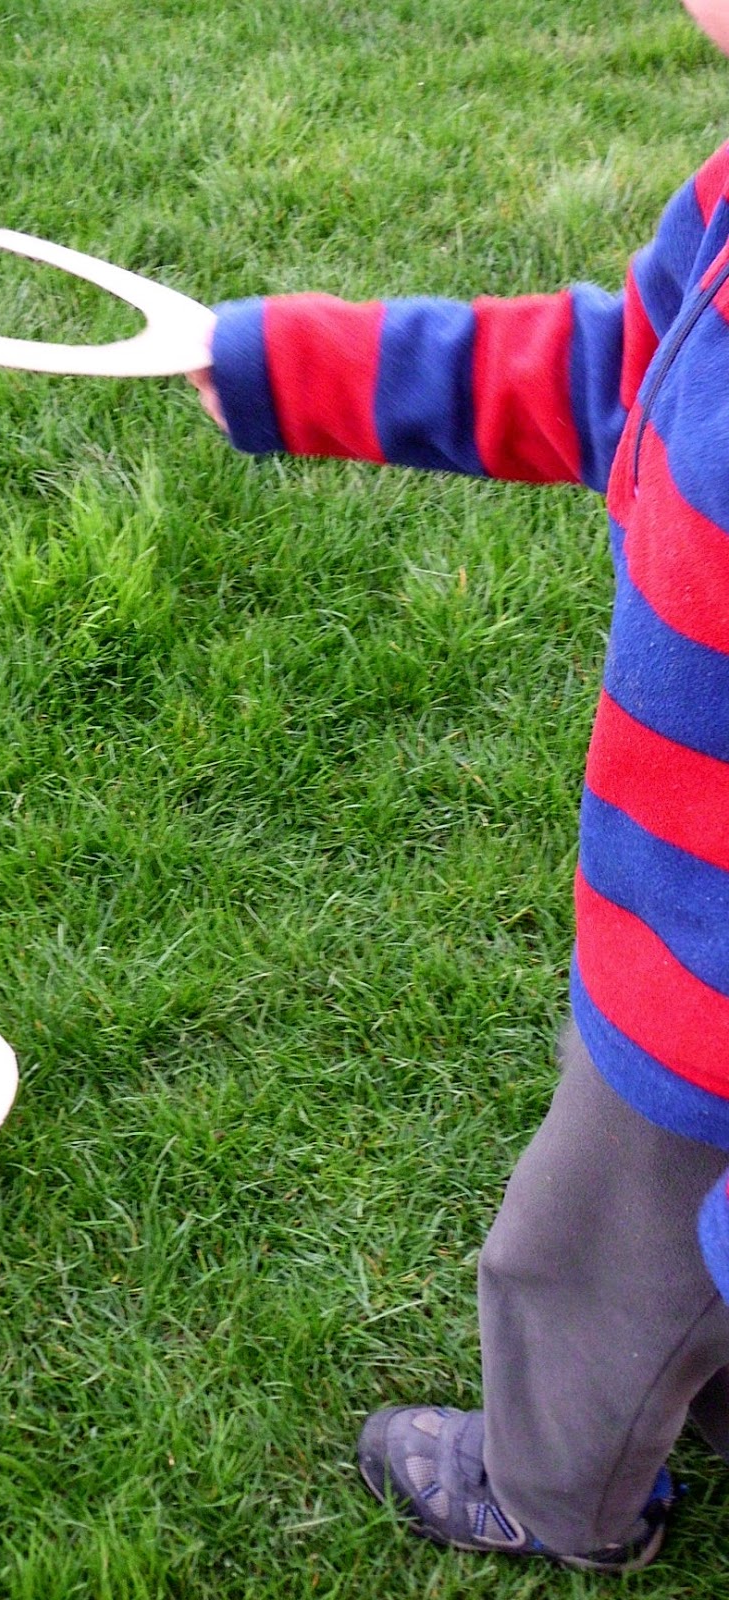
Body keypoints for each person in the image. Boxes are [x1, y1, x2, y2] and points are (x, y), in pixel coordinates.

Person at [187, 0, 729, 1572]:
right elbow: (615, 368)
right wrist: (296, 368)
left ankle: (558, 1494)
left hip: (703, 1026)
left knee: (579, 1273)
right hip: (670, 912)